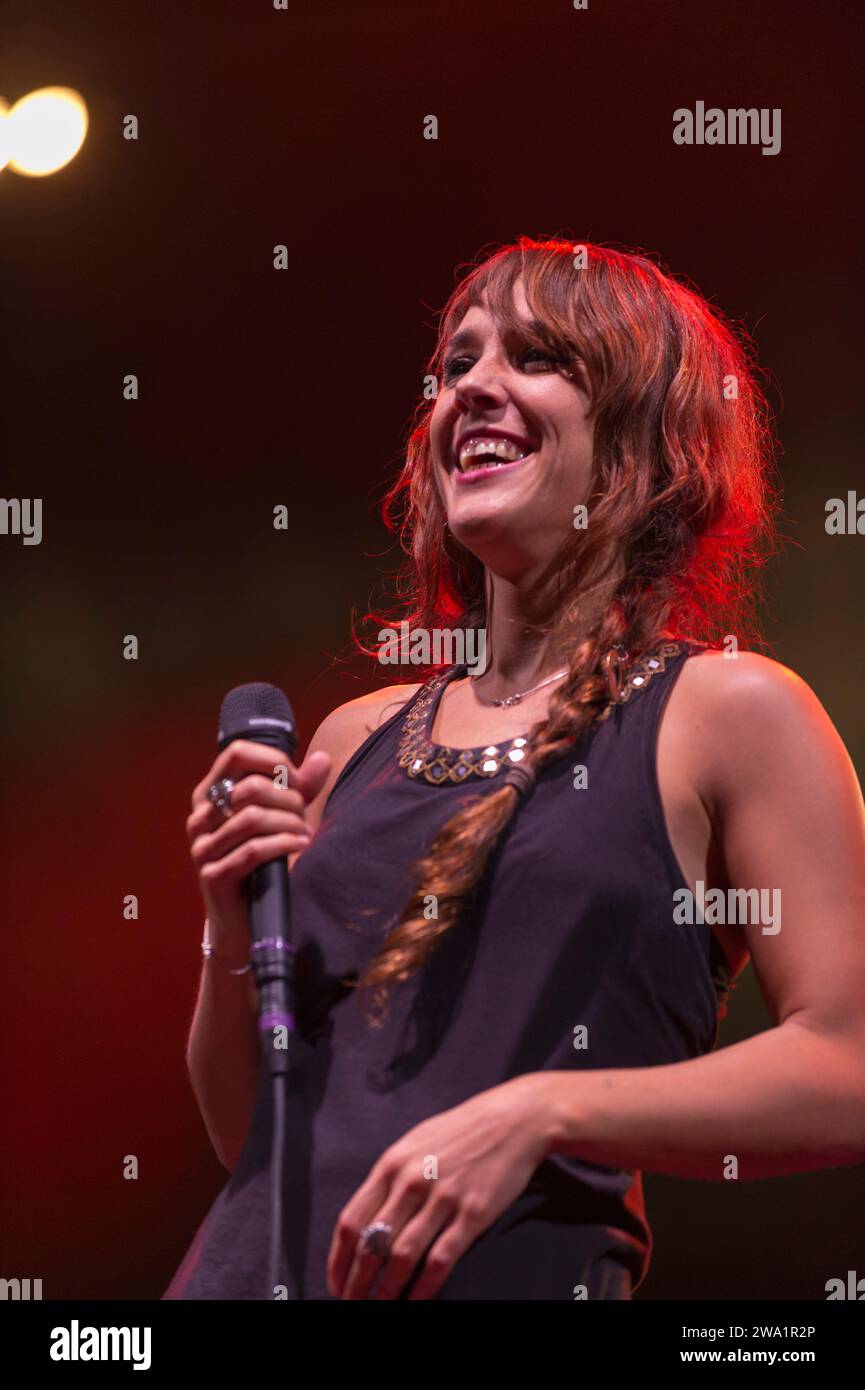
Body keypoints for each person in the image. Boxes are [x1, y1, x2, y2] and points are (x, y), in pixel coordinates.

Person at [163, 237, 865, 1301]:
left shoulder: (727, 711)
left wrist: (542, 1110)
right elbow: (249, 1139)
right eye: (454, 366)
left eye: (538, 358)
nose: (473, 389)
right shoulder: (352, 740)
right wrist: (229, 918)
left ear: (646, 434)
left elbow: (849, 1068)